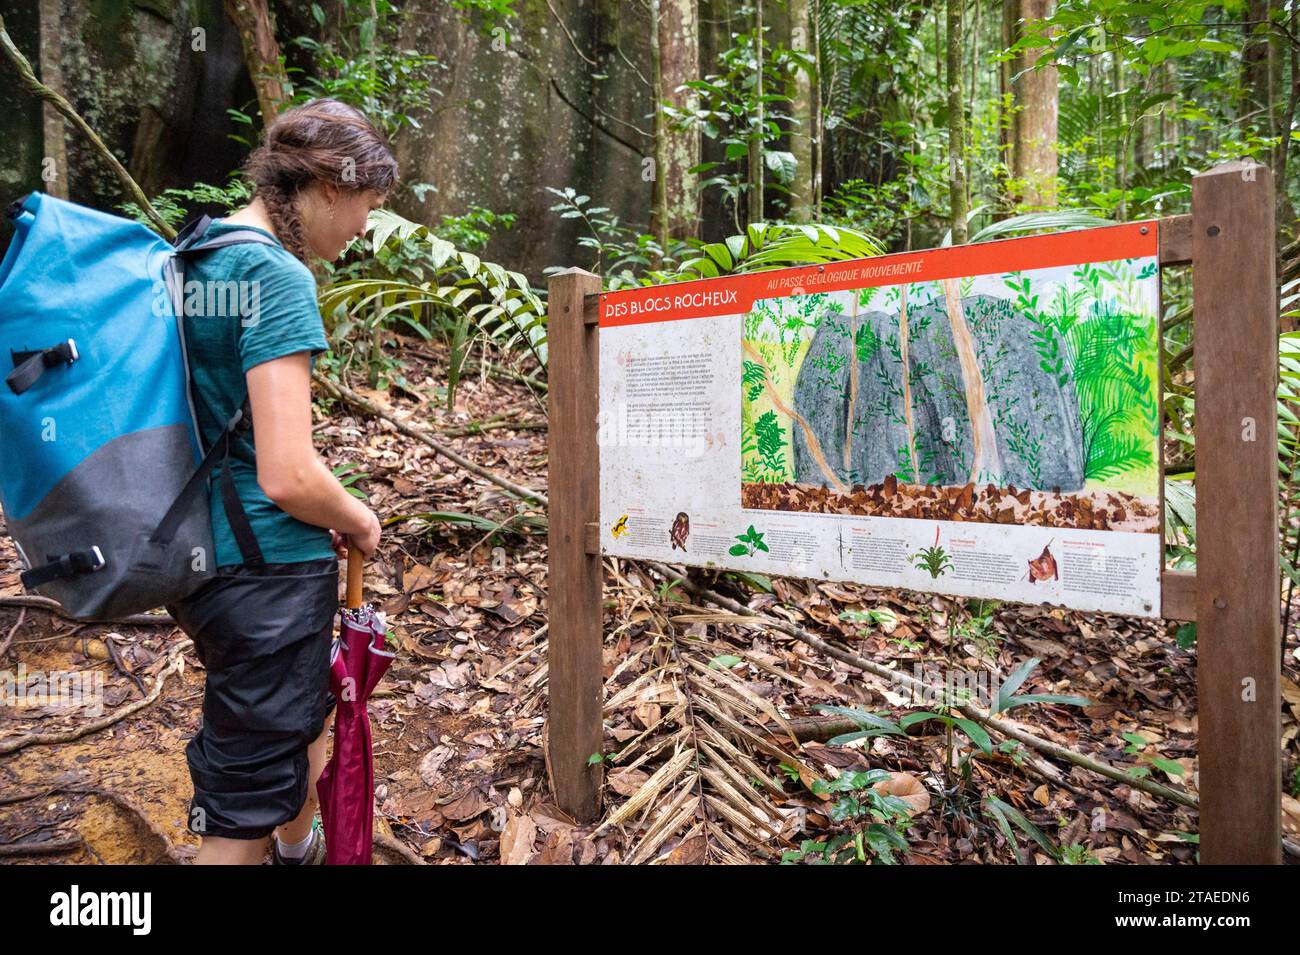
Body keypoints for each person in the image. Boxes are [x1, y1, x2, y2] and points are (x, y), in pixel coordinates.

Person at [163, 98, 397, 864]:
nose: (365, 228)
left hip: (199, 555)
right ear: (331, 186)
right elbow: (290, 472)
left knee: (288, 724)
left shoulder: (198, 254)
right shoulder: (275, 273)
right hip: (265, 570)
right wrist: (357, 515)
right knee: (239, 806)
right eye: (367, 205)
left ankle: (302, 847)